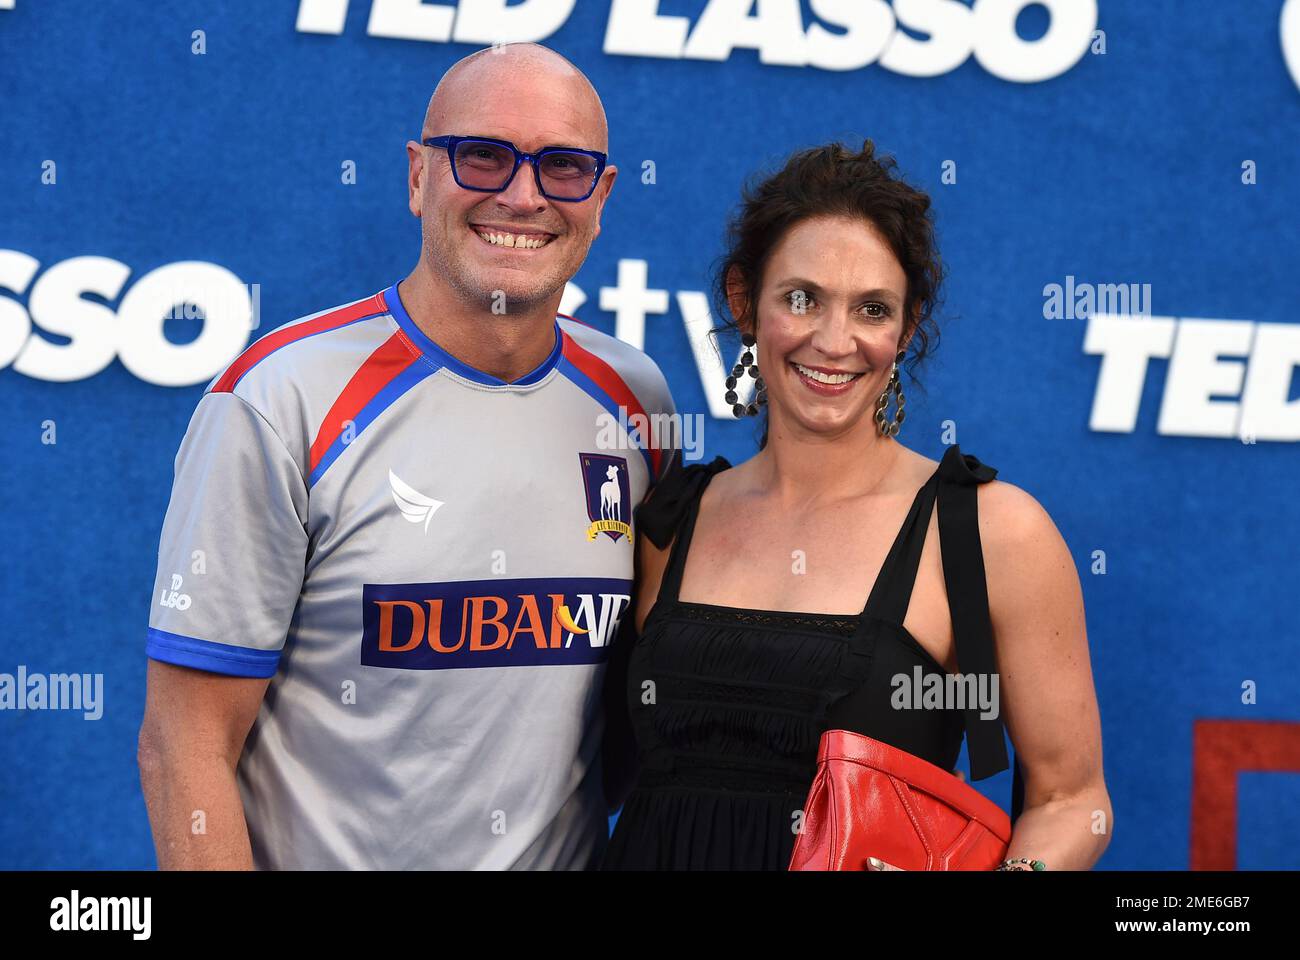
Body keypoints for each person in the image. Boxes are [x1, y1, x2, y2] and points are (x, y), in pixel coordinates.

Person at [137, 43, 676, 870]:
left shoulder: (638, 404)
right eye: (484, 157)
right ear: (419, 175)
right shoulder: (280, 399)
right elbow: (183, 748)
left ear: (601, 199)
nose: (522, 195)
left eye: (563, 168)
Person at [601, 140, 1111, 871]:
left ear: (905, 329)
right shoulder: (669, 520)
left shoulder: (990, 532)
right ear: (745, 303)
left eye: (872, 309)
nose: (835, 342)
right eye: (802, 298)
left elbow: (1073, 802)